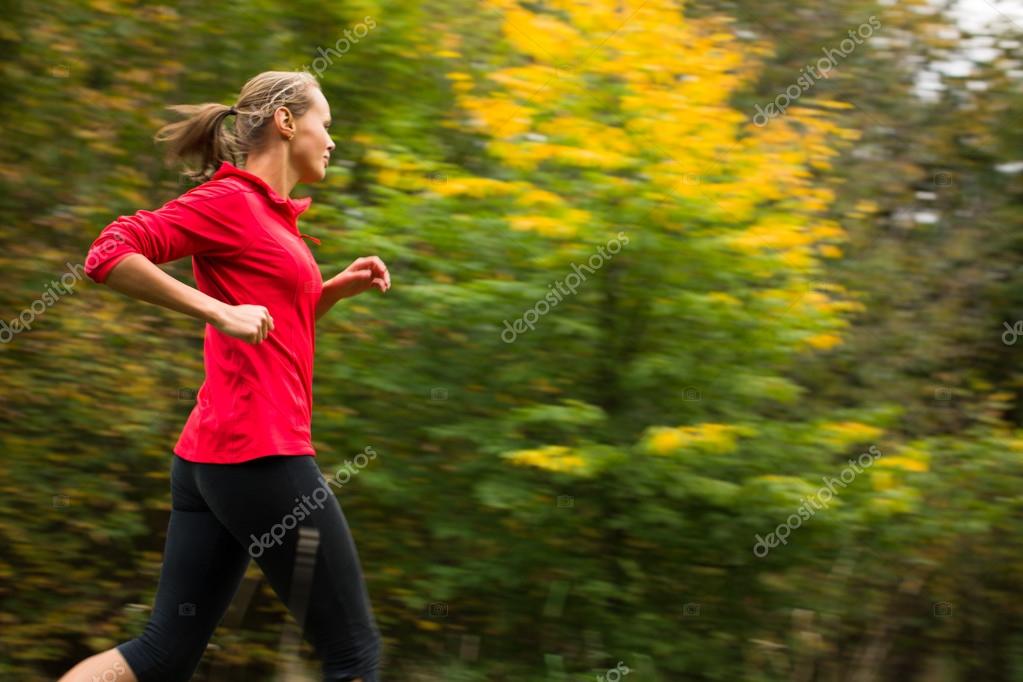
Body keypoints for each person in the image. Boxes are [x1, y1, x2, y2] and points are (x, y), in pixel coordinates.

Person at [58, 70, 389, 682]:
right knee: (354, 654)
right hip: (259, 452)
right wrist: (214, 309)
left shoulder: (270, 215)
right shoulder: (229, 201)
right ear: (288, 123)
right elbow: (108, 253)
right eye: (326, 124)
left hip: (212, 458)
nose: (332, 141)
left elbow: (267, 324)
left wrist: (331, 291)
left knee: (164, 654)